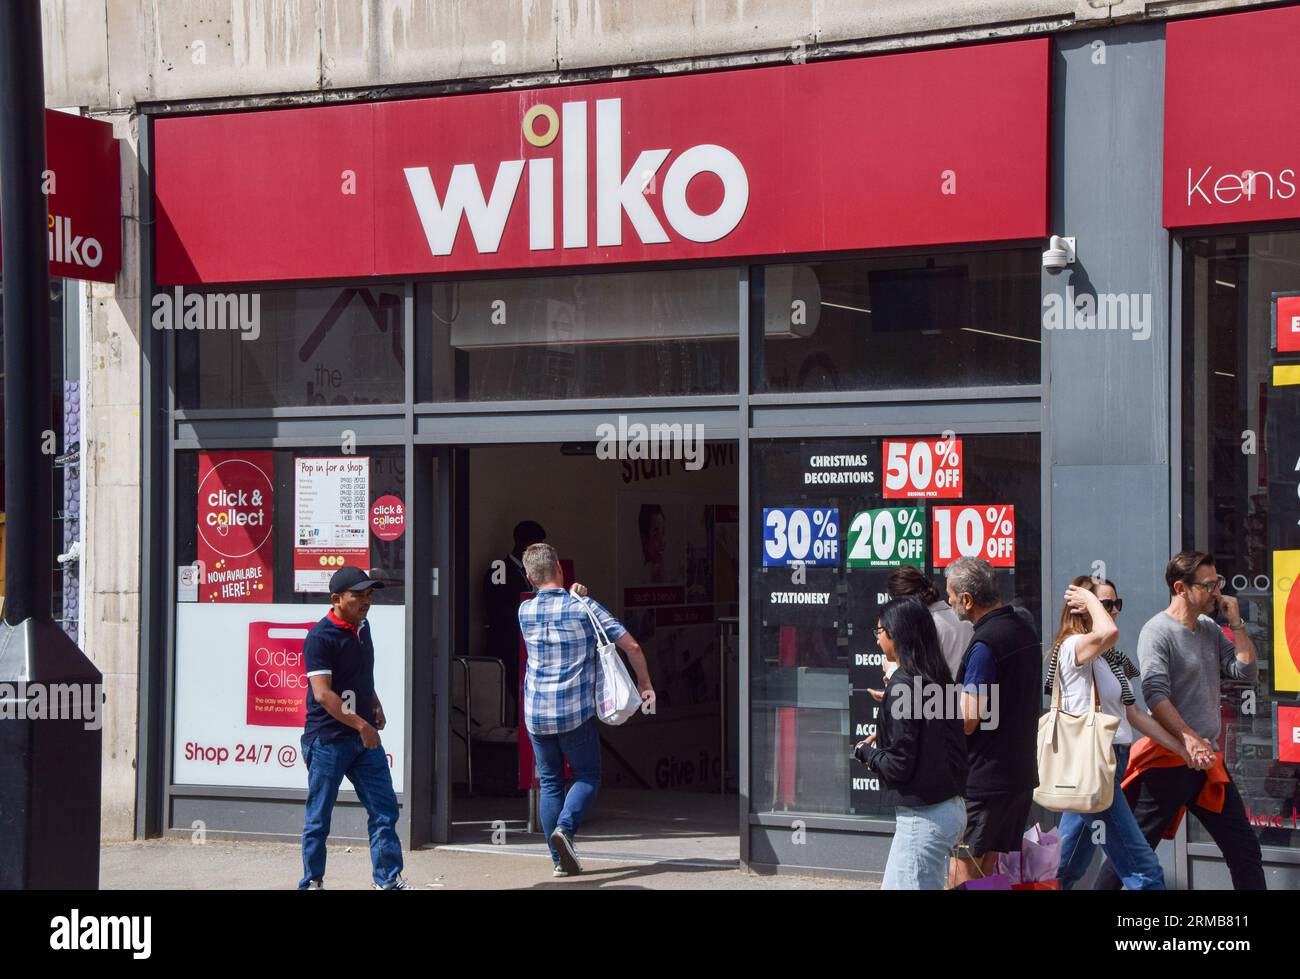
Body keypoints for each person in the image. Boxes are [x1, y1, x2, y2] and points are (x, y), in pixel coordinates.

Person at [1095, 551, 1265, 890]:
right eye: (1208, 584)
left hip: (1207, 762)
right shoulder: (1157, 632)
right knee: (1134, 855)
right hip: (1168, 761)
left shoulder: (1208, 628)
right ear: (1181, 588)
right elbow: (1156, 697)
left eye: (1219, 583)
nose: (1217, 591)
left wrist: (1237, 624)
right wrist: (1187, 738)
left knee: (1244, 849)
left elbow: (1244, 670)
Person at [517, 542, 655, 877]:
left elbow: (549, 603)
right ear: (561, 569)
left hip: (536, 712)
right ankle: (565, 828)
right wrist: (645, 683)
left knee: (550, 782)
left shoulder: (524, 612)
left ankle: (557, 862)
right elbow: (631, 645)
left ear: (529, 579)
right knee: (588, 776)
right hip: (573, 711)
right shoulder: (583, 607)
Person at [1048, 576, 1190, 890]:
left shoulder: (1105, 659)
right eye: (1106, 604)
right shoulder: (1073, 646)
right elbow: (1109, 632)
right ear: (1084, 608)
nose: (1114, 611)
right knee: (1144, 871)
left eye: (1117, 604)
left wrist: (1181, 748)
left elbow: (1133, 713)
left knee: (1063, 867)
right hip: (1093, 764)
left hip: (1109, 761)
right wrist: (1089, 600)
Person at [299, 566, 407, 890]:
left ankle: (387, 881)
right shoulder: (320, 637)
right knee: (319, 817)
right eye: (357, 595)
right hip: (328, 740)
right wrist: (363, 726)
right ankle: (312, 882)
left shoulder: (363, 627)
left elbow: (361, 675)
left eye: (369, 594)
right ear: (336, 599)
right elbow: (322, 694)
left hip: (362, 739)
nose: (366, 600)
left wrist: (374, 703)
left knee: (384, 808)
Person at [854, 598, 968, 889]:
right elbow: (933, 736)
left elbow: (899, 765)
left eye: (879, 631)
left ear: (896, 633)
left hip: (923, 816)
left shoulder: (903, 684)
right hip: (947, 809)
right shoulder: (938, 679)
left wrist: (866, 753)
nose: (877, 639)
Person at [945, 555, 1041, 886]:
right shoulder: (1023, 630)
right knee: (986, 868)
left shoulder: (986, 643)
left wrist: (931, 720)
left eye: (951, 595)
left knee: (963, 870)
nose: (949, 601)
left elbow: (969, 717)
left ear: (967, 600)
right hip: (1016, 776)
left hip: (984, 780)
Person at [482, 519, 546, 724]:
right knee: (512, 702)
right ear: (524, 544)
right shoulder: (498, 570)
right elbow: (497, 609)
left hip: (529, 647)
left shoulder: (534, 573)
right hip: (507, 646)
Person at [887, 564, 973, 683]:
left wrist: (889, 672)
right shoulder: (967, 621)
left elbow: (911, 674)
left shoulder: (918, 629)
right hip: (968, 696)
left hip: (932, 698)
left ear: (901, 601)